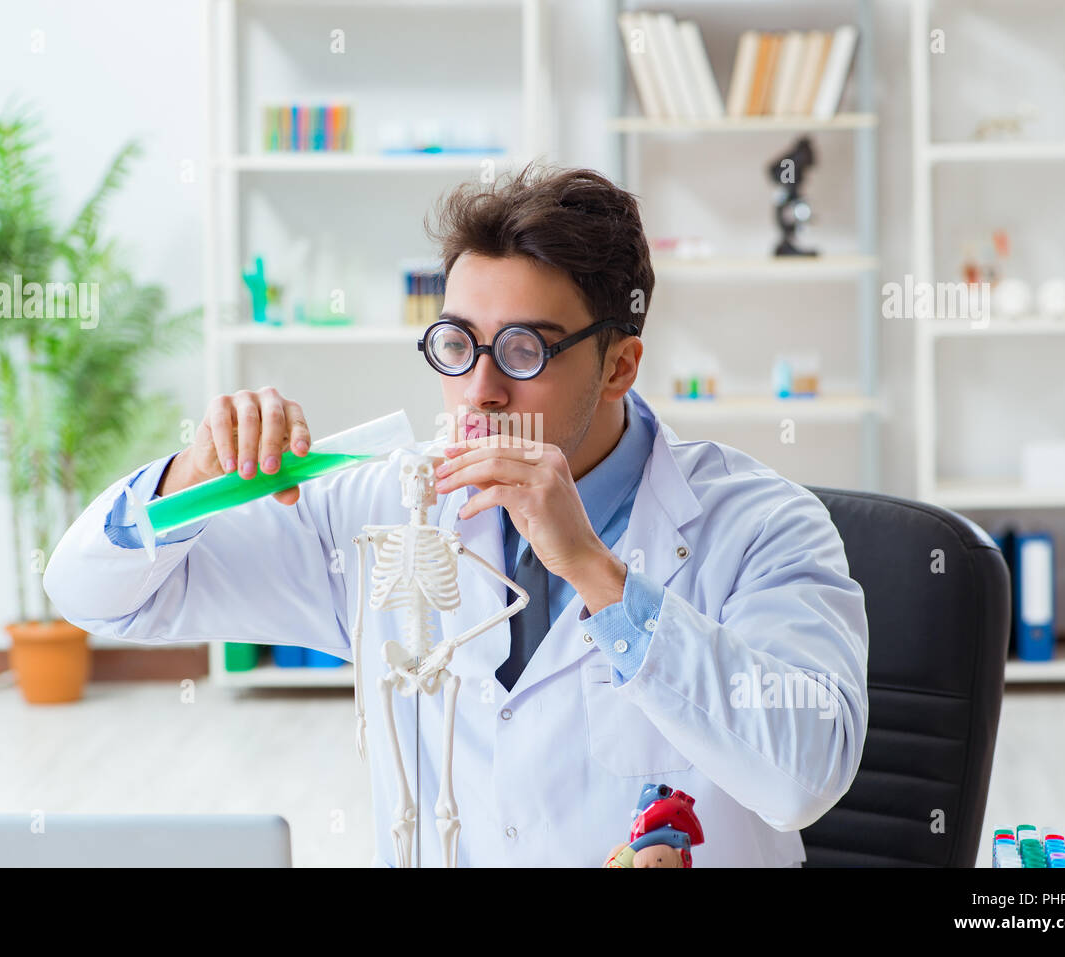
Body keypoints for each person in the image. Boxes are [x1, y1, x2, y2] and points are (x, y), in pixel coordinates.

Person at [43, 161, 869, 867]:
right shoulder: (383, 506)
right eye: (457, 343)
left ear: (620, 366)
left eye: (524, 350)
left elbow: (806, 773)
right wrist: (194, 475)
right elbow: (97, 593)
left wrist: (595, 570)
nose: (480, 389)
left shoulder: (763, 525)